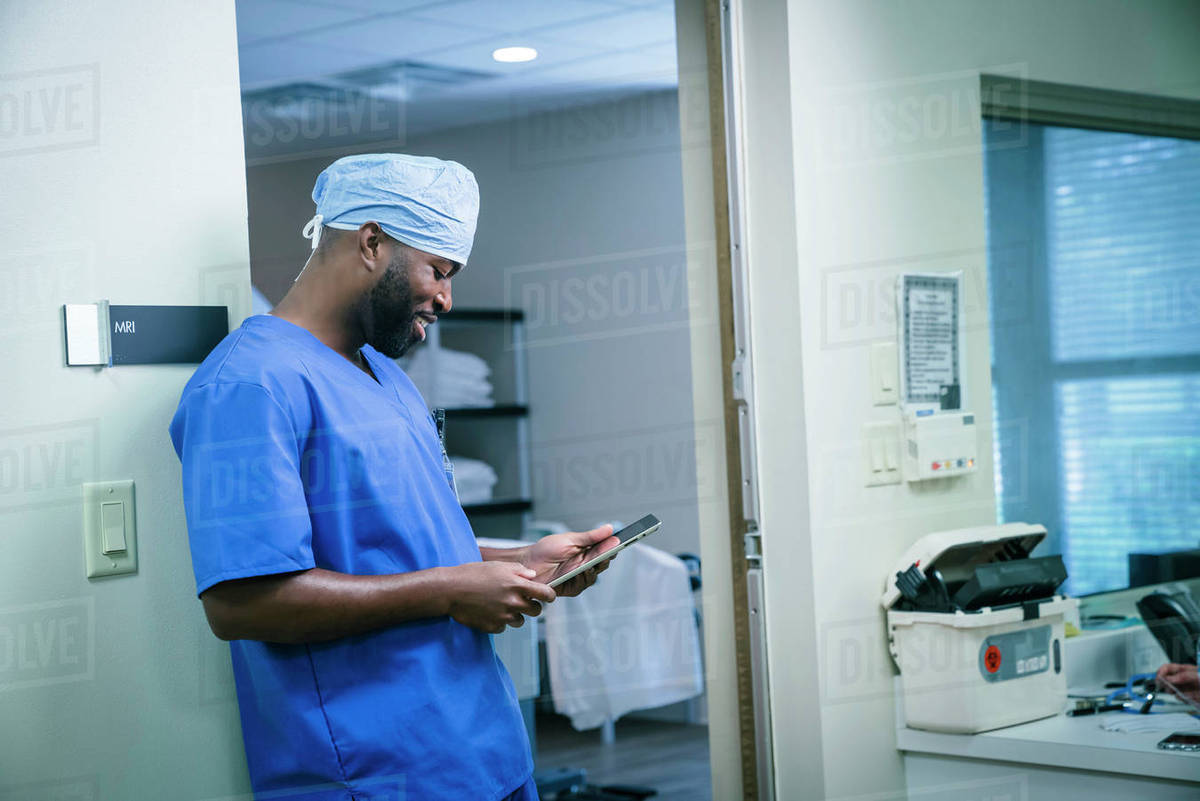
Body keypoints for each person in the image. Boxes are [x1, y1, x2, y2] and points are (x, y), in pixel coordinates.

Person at [169, 153, 618, 801]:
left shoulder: (387, 375)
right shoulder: (248, 385)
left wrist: (519, 562)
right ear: (372, 241)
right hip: (378, 772)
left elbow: (398, 540)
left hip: (485, 749)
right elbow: (242, 602)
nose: (446, 298)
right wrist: (453, 590)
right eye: (438, 270)